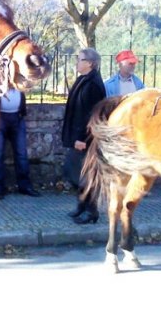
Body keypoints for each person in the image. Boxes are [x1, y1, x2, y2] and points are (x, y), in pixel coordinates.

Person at [62, 48, 106, 224]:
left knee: (86, 176)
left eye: (80, 59)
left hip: (85, 140)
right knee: (73, 173)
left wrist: (81, 138)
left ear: (90, 63)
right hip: (77, 137)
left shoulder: (93, 84)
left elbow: (89, 114)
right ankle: (81, 205)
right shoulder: (84, 80)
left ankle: (91, 211)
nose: (77, 62)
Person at [0, 87, 40, 199]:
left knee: (21, 153)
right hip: (0, 118)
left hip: (17, 117)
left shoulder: (18, 79)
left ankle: (25, 186)